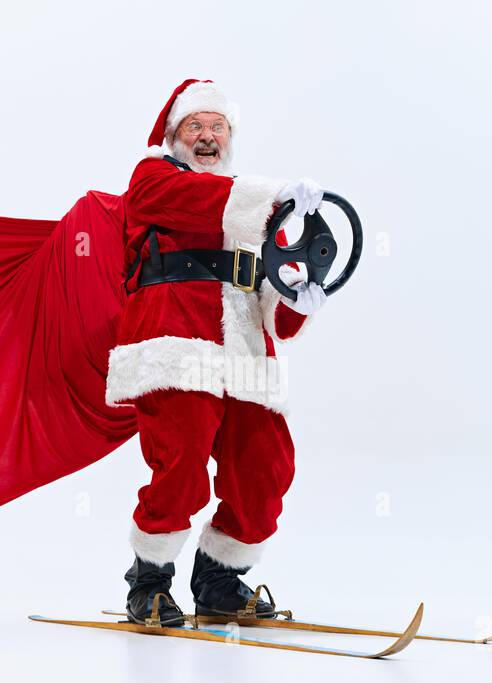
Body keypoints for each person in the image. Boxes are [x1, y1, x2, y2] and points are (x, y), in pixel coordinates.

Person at [105, 79, 329, 626]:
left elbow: (272, 298)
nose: (207, 137)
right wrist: (273, 196)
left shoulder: (250, 210)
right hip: (176, 345)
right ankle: (150, 582)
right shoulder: (154, 178)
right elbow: (199, 205)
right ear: (174, 135)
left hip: (242, 355)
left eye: (217, 127)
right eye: (195, 126)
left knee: (266, 468)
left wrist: (303, 294)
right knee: (179, 465)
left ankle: (219, 582)